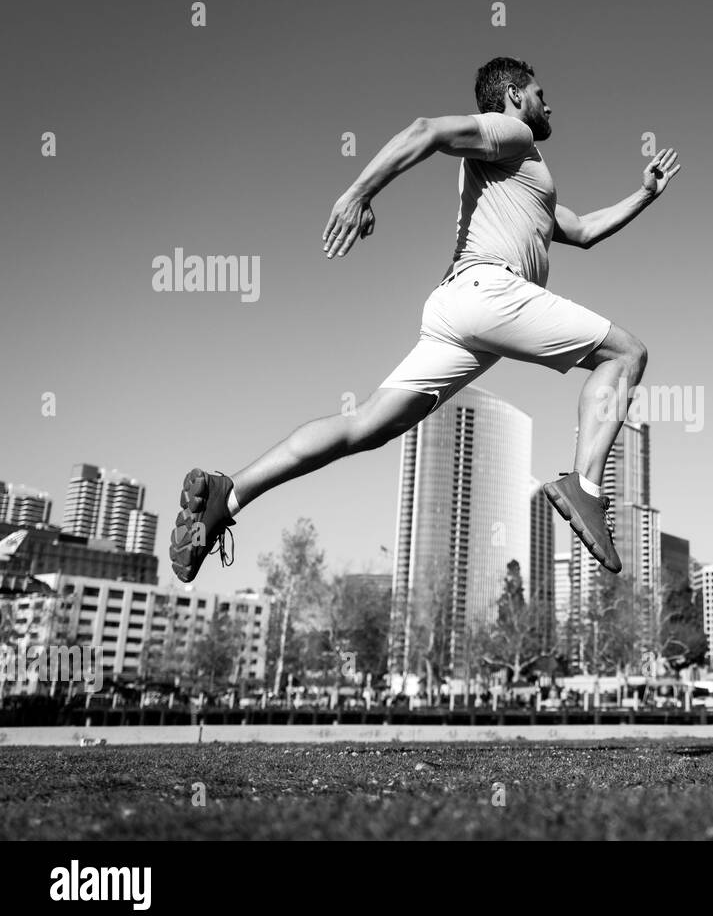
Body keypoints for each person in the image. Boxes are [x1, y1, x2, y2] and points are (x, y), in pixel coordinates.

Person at [168, 57, 680, 582]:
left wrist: (644, 194)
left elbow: (584, 230)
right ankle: (586, 487)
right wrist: (358, 193)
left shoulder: (523, 176)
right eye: (540, 93)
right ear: (512, 97)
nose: (549, 105)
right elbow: (426, 131)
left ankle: (229, 494)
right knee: (627, 353)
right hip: (490, 291)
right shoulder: (514, 134)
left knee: (365, 426)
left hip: (458, 310)